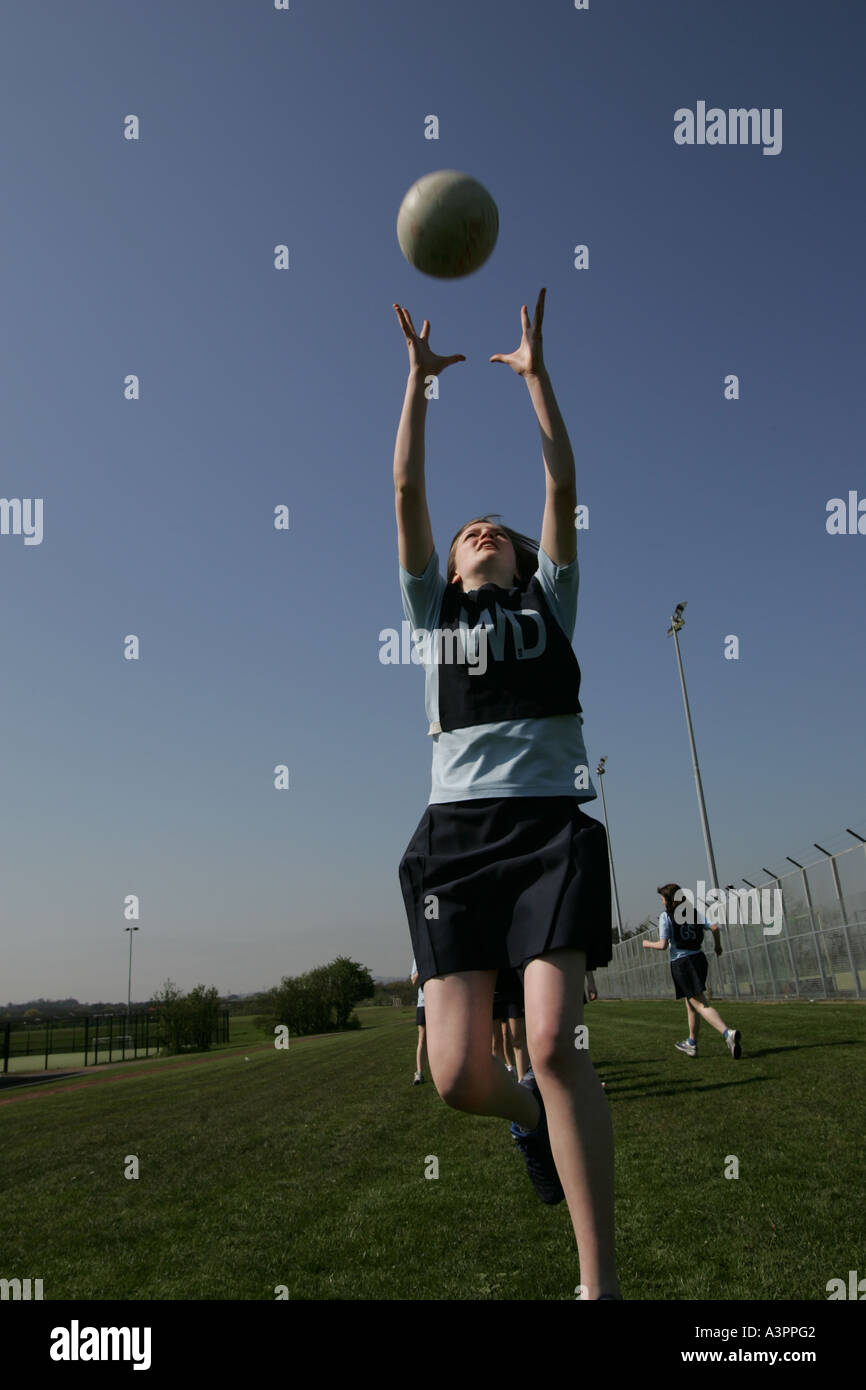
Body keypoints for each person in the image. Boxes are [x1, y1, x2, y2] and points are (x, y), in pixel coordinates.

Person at [393, 291, 619, 1300]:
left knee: (550, 1039)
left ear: (524, 558)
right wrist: (418, 385)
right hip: (453, 840)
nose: (476, 530)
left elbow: (561, 480)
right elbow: (404, 490)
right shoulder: (432, 612)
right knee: (455, 1078)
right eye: (465, 532)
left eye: (493, 529)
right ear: (446, 569)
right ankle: (523, 1118)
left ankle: (595, 1284)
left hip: (546, 831)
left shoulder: (547, 600)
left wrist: (536, 380)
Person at [643, 883, 742, 1059]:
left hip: (682, 963)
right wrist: (718, 946)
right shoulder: (693, 912)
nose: (662, 902)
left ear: (669, 900)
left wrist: (647, 943)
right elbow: (714, 928)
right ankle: (692, 1043)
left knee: (699, 1003)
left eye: (662, 899)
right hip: (699, 959)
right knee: (691, 1004)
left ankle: (728, 1034)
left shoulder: (666, 917)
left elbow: (663, 945)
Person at [410, 957, 427, 1084]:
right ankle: (419, 1073)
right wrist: (425, 966)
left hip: (440, 1003)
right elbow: (414, 980)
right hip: (423, 1003)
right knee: (422, 1039)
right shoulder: (418, 957)